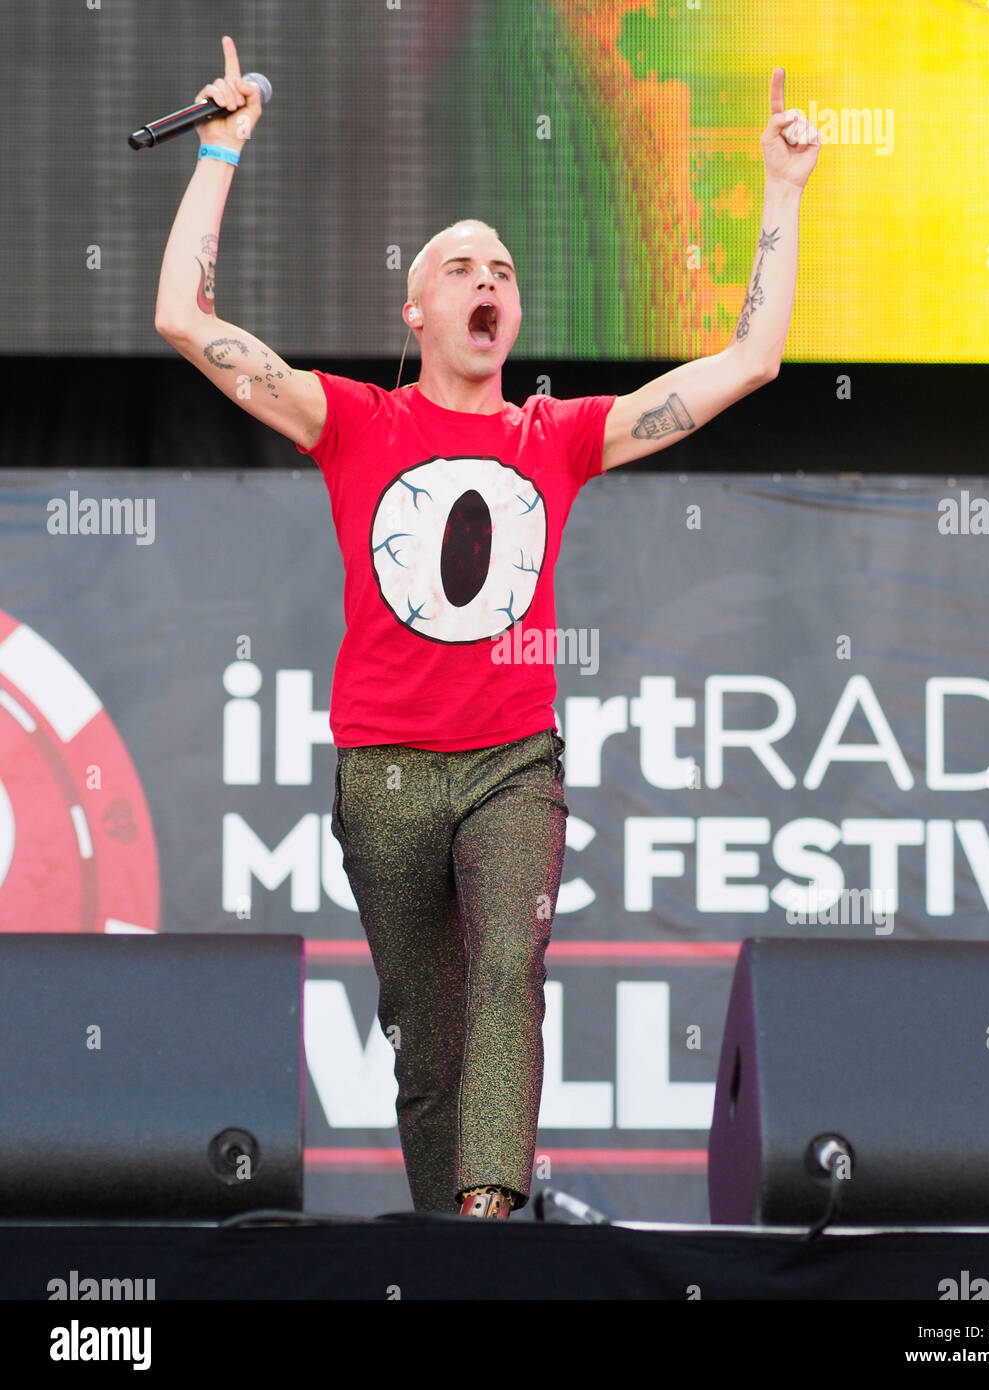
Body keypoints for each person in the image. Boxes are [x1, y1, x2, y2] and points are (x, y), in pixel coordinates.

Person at [154, 36, 820, 1219]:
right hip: (384, 774)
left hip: (514, 762)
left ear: (511, 313)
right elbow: (178, 314)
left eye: (503, 269)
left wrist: (779, 188)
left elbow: (752, 359)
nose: (488, 279)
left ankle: (488, 1218)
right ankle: (443, 1262)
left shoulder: (557, 435)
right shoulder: (350, 419)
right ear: (417, 308)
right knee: (426, 1038)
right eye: (461, 265)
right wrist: (217, 150)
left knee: (510, 970)